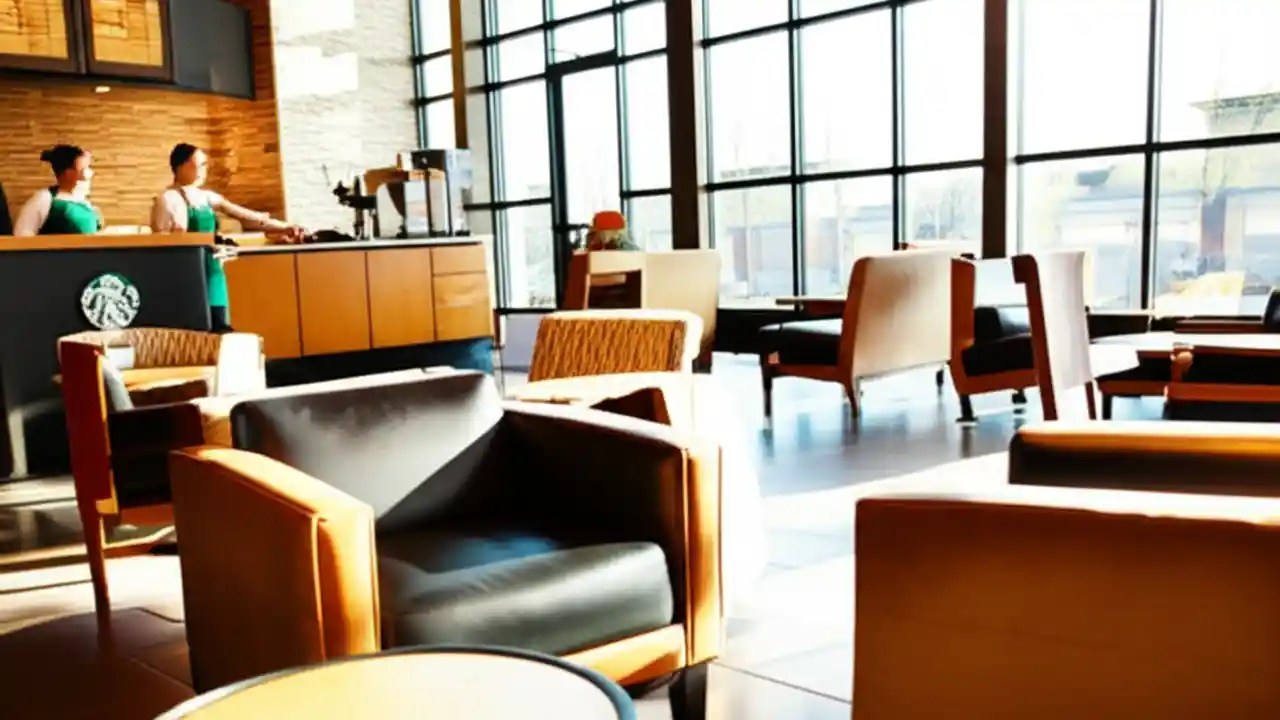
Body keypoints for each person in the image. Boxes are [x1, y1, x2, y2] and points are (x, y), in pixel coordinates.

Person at [151, 143, 304, 332]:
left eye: (205, 165)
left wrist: (284, 227)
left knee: (220, 324)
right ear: (181, 166)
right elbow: (163, 242)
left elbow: (246, 217)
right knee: (195, 329)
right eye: (200, 164)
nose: (204, 169)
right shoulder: (167, 199)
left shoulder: (206, 197)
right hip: (188, 274)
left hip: (213, 270)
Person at [12, 145, 102, 236]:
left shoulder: (86, 204)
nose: (88, 175)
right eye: (82, 170)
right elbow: (21, 236)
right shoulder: (44, 199)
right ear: (66, 173)